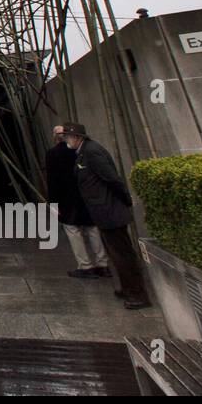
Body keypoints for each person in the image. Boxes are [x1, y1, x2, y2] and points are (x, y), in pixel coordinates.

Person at [60, 122, 152, 310]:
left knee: (122, 254)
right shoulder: (84, 152)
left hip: (110, 211)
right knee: (116, 253)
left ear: (76, 137)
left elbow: (112, 179)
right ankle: (128, 288)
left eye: (67, 137)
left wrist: (125, 200)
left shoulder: (92, 152)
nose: (66, 141)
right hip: (102, 211)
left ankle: (137, 294)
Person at [45, 124, 109, 279]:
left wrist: (53, 203)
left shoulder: (53, 153)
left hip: (66, 198)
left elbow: (52, 180)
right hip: (86, 196)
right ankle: (103, 264)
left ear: (55, 137)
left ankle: (85, 266)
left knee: (74, 231)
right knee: (93, 229)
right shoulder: (80, 150)